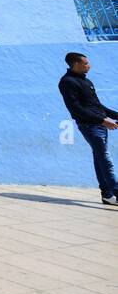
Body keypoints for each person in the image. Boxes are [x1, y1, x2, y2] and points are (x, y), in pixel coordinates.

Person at [58, 52, 118, 207]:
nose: (89, 65)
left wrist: (113, 116)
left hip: (100, 124)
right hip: (90, 126)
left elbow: (97, 106)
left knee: (100, 158)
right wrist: (102, 120)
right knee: (105, 159)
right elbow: (75, 108)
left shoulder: (86, 81)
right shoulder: (67, 82)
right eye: (86, 63)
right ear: (76, 64)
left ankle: (107, 195)